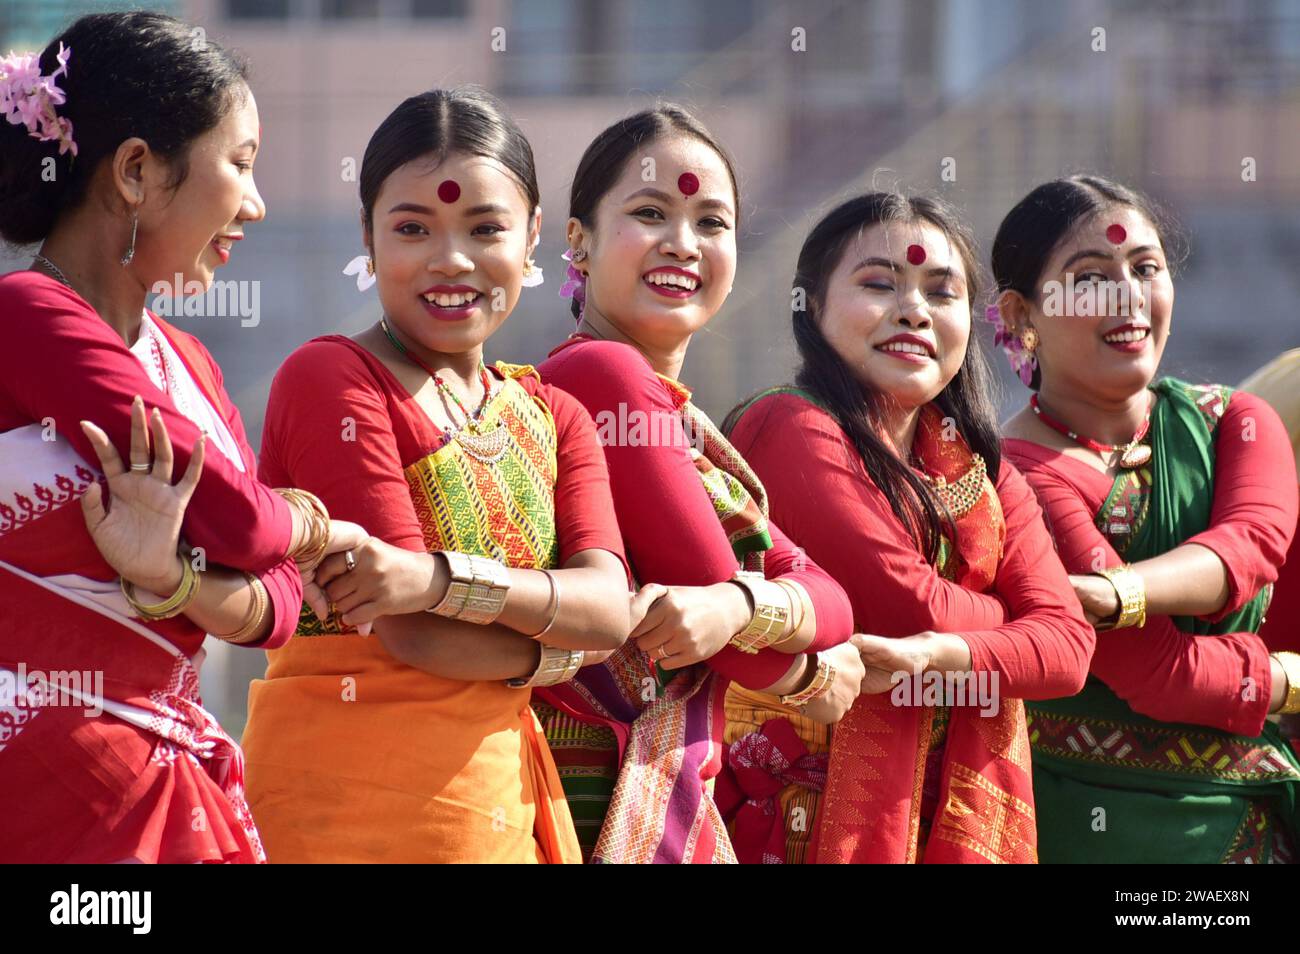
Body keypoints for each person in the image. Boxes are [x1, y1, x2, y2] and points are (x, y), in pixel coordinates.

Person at [240, 87, 631, 863]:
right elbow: (408, 631)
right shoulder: (330, 379)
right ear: (368, 236)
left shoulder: (555, 415)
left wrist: (435, 579)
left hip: (493, 807)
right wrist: (560, 649)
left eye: (485, 229)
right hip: (343, 809)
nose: (450, 260)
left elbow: (610, 612)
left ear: (532, 242)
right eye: (412, 228)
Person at [0, 12, 355, 863]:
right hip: (43, 776)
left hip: (160, 778)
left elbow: (275, 609)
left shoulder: (187, 360)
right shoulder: (27, 317)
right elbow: (248, 527)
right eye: (240, 164)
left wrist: (164, 577)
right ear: (135, 172)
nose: (258, 204)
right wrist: (311, 521)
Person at [724, 191, 1095, 863]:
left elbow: (1069, 650)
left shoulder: (981, 471)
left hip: (941, 822)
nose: (914, 309)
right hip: (799, 818)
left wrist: (941, 655)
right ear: (811, 305)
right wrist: (1011, 617)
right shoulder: (791, 425)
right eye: (878, 284)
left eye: (941, 293)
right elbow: (903, 605)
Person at [534, 106, 861, 863]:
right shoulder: (601, 375)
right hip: (582, 793)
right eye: (650, 213)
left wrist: (739, 605)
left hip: (634, 784)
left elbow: (823, 596)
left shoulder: (674, 416)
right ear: (576, 242)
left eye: (712, 223)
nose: (684, 243)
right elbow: (752, 642)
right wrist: (814, 671)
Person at [995, 175, 1300, 863]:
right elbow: (1157, 673)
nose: (1128, 295)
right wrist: (1287, 681)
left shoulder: (1235, 422)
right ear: (1020, 318)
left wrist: (1116, 593)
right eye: (1091, 276)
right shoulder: (1013, 476)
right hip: (1088, 825)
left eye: (1146, 268)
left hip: (1256, 819)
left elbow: (1248, 551)